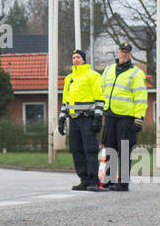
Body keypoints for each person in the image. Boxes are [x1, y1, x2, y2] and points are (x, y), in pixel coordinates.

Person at [100, 43, 148, 191]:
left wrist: (138, 118)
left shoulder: (136, 73)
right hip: (109, 115)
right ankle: (108, 179)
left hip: (126, 118)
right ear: (118, 53)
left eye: (127, 52)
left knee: (124, 150)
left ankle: (123, 182)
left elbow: (140, 97)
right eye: (122, 52)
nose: (124, 54)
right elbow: (101, 91)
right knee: (109, 149)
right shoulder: (108, 70)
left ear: (130, 55)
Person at [60, 49, 104, 190]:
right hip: (73, 119)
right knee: (76, 150)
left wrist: (98, 117)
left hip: (87, 118)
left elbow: (99, 97)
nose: (76, 60)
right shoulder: (69, 79)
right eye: (73, 57)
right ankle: (84, 179)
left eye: (78, 57)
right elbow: (65, 101)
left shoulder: (93, 76)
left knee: (90, 149)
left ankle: (93, 181)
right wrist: (61, 119)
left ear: (84, 59)